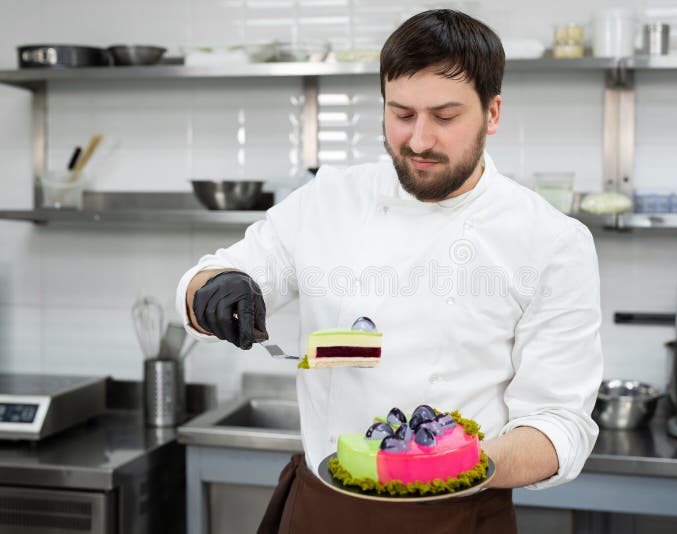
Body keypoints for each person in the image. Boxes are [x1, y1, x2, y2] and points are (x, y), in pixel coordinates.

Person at [176, 9, 602, 534]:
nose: (419, 141)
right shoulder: (330, 198)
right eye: (401, 114)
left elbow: (560, 428)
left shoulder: (551, 240)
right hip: (325, 512)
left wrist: (446, 464)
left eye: (445, 118)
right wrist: (212, 291)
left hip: (460, 515)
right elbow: (211, 275)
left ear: (492, 114)